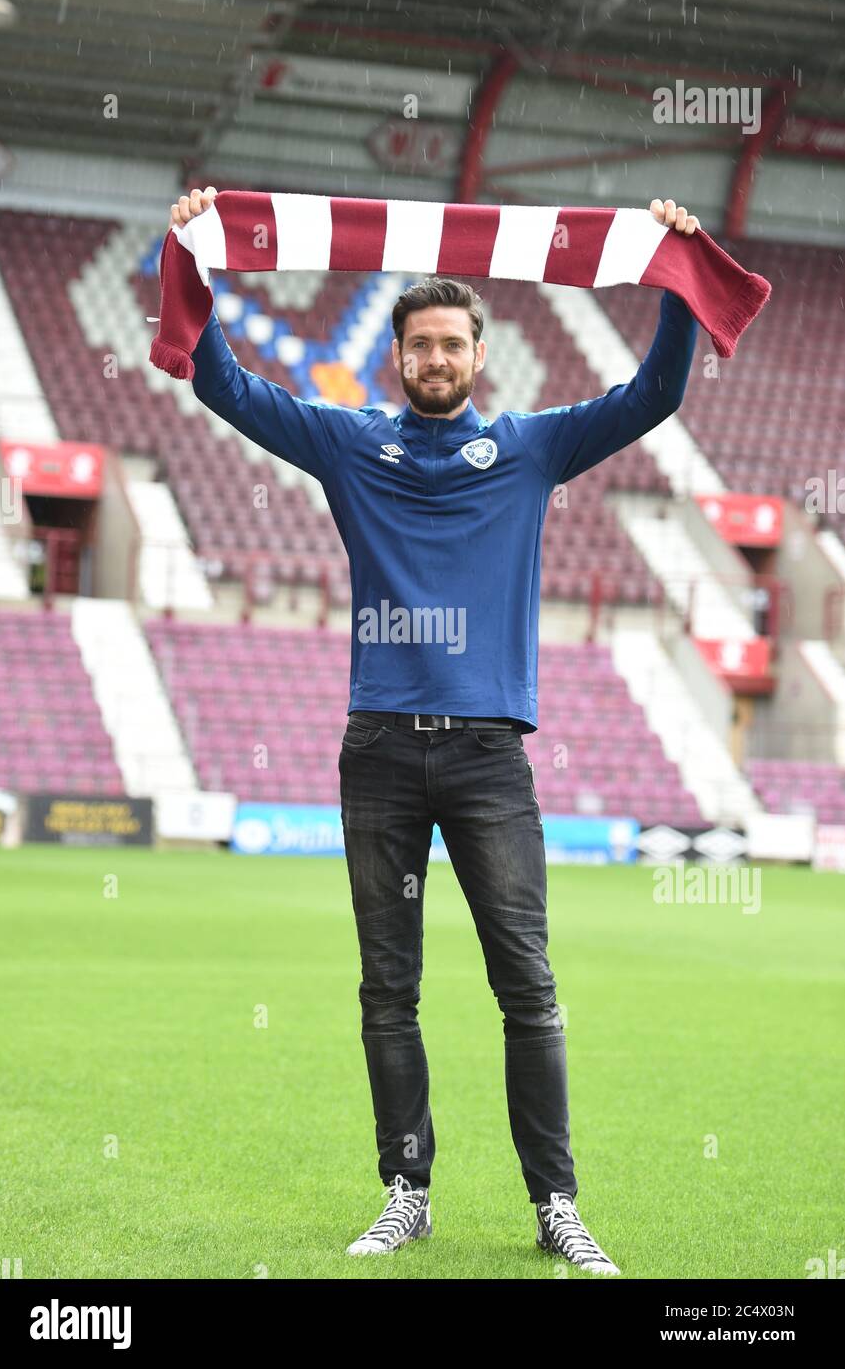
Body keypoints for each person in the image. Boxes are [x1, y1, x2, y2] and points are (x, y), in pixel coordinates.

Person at [173, 188, 699, 1274]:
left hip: (486, 757)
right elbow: (218, 379)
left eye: (452, 344)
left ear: (477, 354)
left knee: (527, 985)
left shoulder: (531, 448)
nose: (435, 359)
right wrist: (194, 257)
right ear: (398, 357)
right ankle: (405, 1190)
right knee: (386, 985)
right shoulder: (348, 444)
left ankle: (556, 1205)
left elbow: (655, 392)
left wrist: (675, 279)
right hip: (378, 751)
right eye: (419, 344)